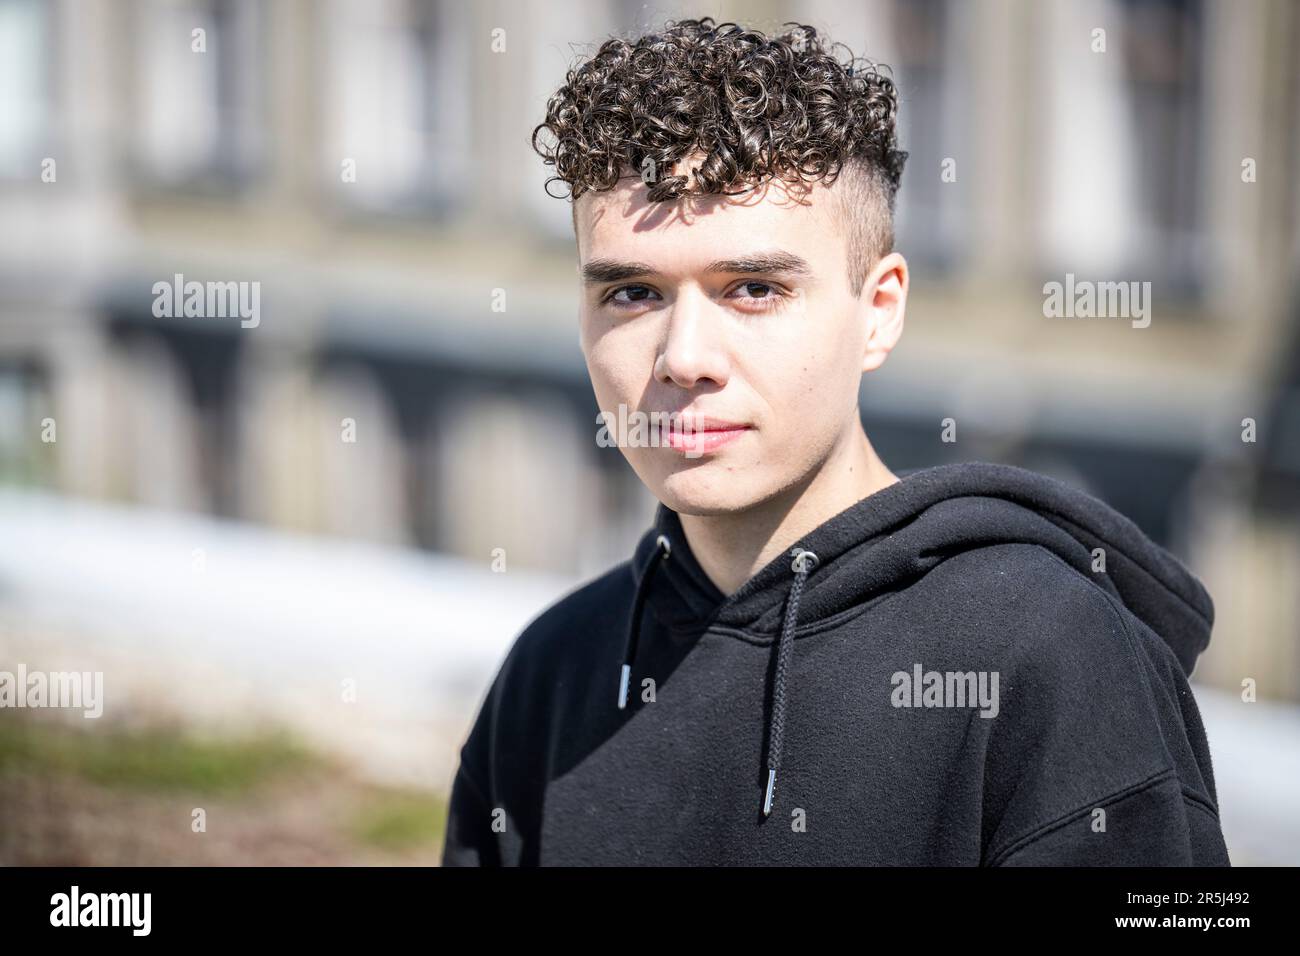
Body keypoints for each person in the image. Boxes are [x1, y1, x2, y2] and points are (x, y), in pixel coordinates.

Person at [441, 17, 1230, 866]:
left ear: (879, 310)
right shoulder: (553, 674)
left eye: (752, 288)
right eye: (633, 293)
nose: (684, 358)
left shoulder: (1048, 656)